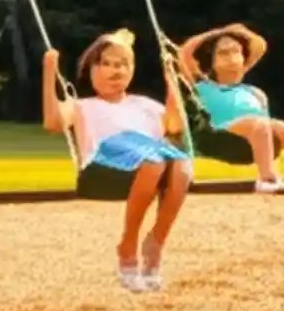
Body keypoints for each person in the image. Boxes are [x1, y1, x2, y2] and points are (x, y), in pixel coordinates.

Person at [42, 28, 191, 292]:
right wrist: (49, 72)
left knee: (182, 166)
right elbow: (53, 123)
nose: (116, 70)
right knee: (153, 158)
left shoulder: (145, 105)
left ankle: (155, 243)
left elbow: (175, 126)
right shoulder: (82, 106)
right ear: (91, 69)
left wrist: (172, 83)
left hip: (147, 160)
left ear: (132, 70)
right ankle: (128, 246)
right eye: (107, 64)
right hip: (105, 163)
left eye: (123, 64)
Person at [177, 23, 284, 197]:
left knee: (282, 126)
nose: (232, 59)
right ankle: (267, 178)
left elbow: (260, 49)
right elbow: (184, 54)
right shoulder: (201, 86)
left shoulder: (254, 93)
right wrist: (218, 33)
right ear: (211, 60)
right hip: (219, 138)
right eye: (223, 53)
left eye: (236, 52)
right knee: (260, 124)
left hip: (254, 141)